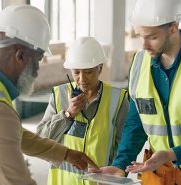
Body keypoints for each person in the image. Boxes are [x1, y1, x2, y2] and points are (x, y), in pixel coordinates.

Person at [0, 5, 98, 185]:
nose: (37, 69)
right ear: (20, 55)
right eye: (38, 60)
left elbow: (12, 133)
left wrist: (66, 153)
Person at [89, 0, 181, 184]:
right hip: (159, 173)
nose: (143, 45)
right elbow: (136, 122)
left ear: (173, 28)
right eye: (140, 36)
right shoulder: (139, 63)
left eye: (152, 37)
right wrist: (121, 164)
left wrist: (173, 154)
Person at [36, 36, 129, 185]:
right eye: (76, 72)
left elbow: (125, 145)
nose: (82, 79)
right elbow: (41, 138)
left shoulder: (117, 99)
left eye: (88, 72)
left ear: (100, 68)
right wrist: (68, 114)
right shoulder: (59, 96)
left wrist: (118, 173)